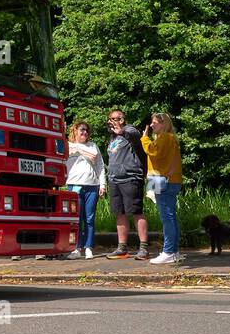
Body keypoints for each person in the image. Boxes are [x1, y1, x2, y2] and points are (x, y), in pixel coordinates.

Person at [103, 109, 149, 260]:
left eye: (114, 119)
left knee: (136, 212)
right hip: (115, 179)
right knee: (119, 214)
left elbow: (135, 137)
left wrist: (122, 131)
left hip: (130, 178)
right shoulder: (112, 138)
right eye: (110, 119)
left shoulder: (129, 130)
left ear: (122, 119)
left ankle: (143, 248)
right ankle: (122, 247)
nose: (111, 122)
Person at [141, 112, 184, 264]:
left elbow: (153, 152)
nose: (151, 125)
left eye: (154, 122)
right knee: (170, 215)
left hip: (162, 180)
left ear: (163, 123)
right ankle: (174, 251)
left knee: (167, 217)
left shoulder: (165, 137)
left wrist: (144, 138)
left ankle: (169, 252)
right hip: (162, 179)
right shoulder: (167, 138)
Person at [64, 121, 106, 259]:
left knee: (89, 217)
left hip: (92, 185)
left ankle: (88, 247)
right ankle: (76, 248)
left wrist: (102, 184)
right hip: (74, 184)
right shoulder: (68, 146)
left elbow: (100, 165)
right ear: (75, 131)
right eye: (82, 130)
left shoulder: (93, 146)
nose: (85, 133)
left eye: (87, 130)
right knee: (76, 218)